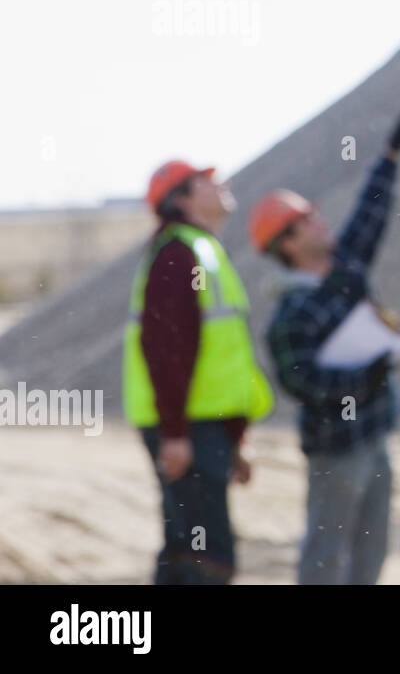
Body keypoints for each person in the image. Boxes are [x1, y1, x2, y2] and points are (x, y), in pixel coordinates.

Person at [253, 101, 400, 584]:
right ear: (288, 243)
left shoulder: (345, 271)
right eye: (306, 220)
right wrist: (363, 378)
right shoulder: (290, 316)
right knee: (326, 555)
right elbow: (303, 383)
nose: (319, 222)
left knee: (372, 551)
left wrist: (391, 154)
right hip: (336, 449)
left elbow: (370, 216)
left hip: (375, 434)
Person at [123, 160, 275, 584]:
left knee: (187, 549)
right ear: (184, 197)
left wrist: (237, 435)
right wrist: (174, 433)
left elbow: (222, 357)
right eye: (206, 180)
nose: (219, 183)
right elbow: (167, 350)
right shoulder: (178, 254)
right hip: (187, 425)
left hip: (203, 425)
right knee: (206, 556)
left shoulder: (198, 249)